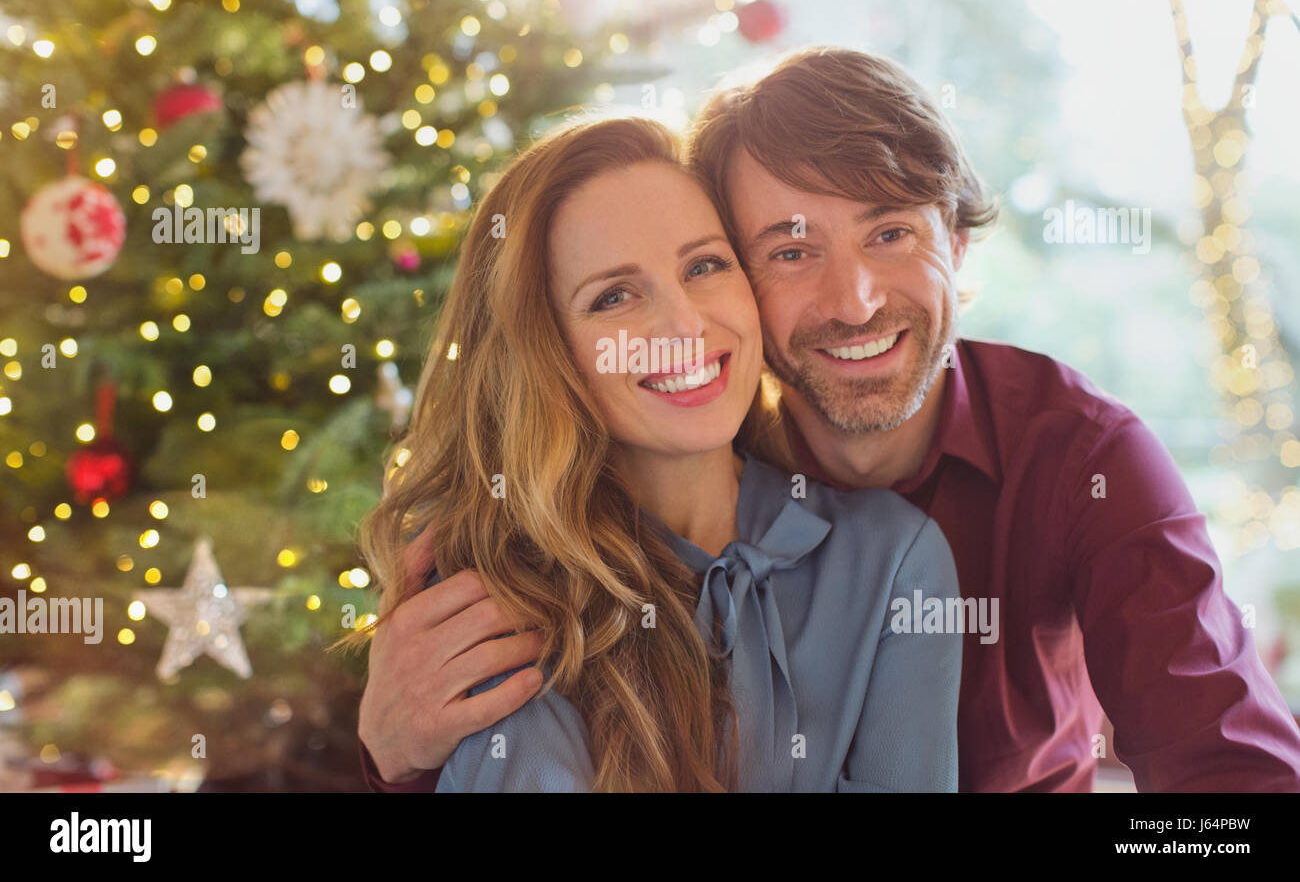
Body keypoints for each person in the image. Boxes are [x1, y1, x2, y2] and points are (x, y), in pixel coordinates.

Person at [359, 46, 1300, 793]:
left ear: (958, 244)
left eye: (890, 232)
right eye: (790, 249)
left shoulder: (1082, 458)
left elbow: (1231, 781)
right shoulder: (640, 477)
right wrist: (395, 755)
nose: (853, 302)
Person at [348, 114, 961, 792]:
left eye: (704, 266)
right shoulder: (494, 593)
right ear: (547, 351)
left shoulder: (893, 560)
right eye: (614, 296)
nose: (684, 325)